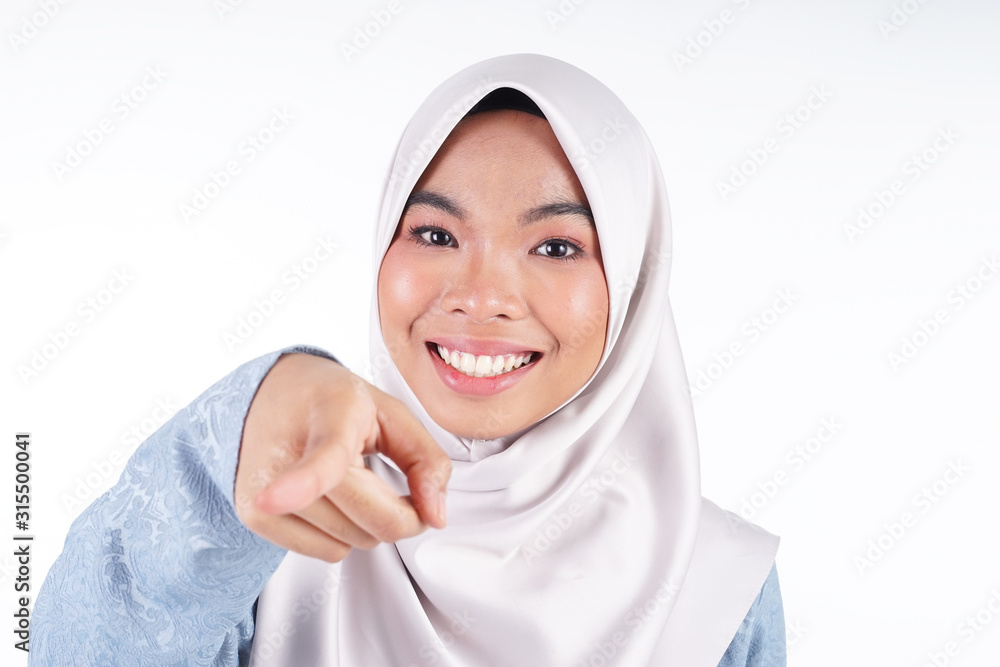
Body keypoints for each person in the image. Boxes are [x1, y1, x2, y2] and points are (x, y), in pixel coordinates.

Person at [31, 54, 785, 666]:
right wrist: (226, 444)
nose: (482, 296)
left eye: (555, 246)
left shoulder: (714, 583)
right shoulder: (284, 522)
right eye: (434, 234)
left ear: (635, 282)